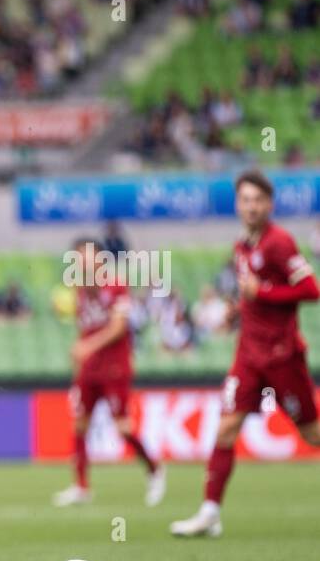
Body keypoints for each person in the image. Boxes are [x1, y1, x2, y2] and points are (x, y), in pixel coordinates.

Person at [171, 170, 320, 537]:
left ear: (269, 204)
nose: (251, 206)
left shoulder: (279, 242)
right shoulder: (243, 245)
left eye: (258, 200)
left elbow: (311, 289)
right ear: (238, 204)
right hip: (248, 358)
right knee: (225, 428)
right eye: (245, 200)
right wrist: (236, 310)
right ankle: (210, 513)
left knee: (312, 434)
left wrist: (263, 292)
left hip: (282, 357)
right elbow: (251, 292)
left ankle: (209, 512)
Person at [53, 238, 164, 507]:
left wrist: (86, 346)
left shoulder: (116, 285)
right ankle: (81, 486)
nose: (82, 261)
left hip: (114, 368)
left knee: (123, 428)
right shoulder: (80, 291)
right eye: (77, 257)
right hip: (90, 369)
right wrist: (79, 362)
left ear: (100, 258)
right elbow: (85, 328)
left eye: (86, 256)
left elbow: (118, 328)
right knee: (79, 424)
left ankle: (154, 470)